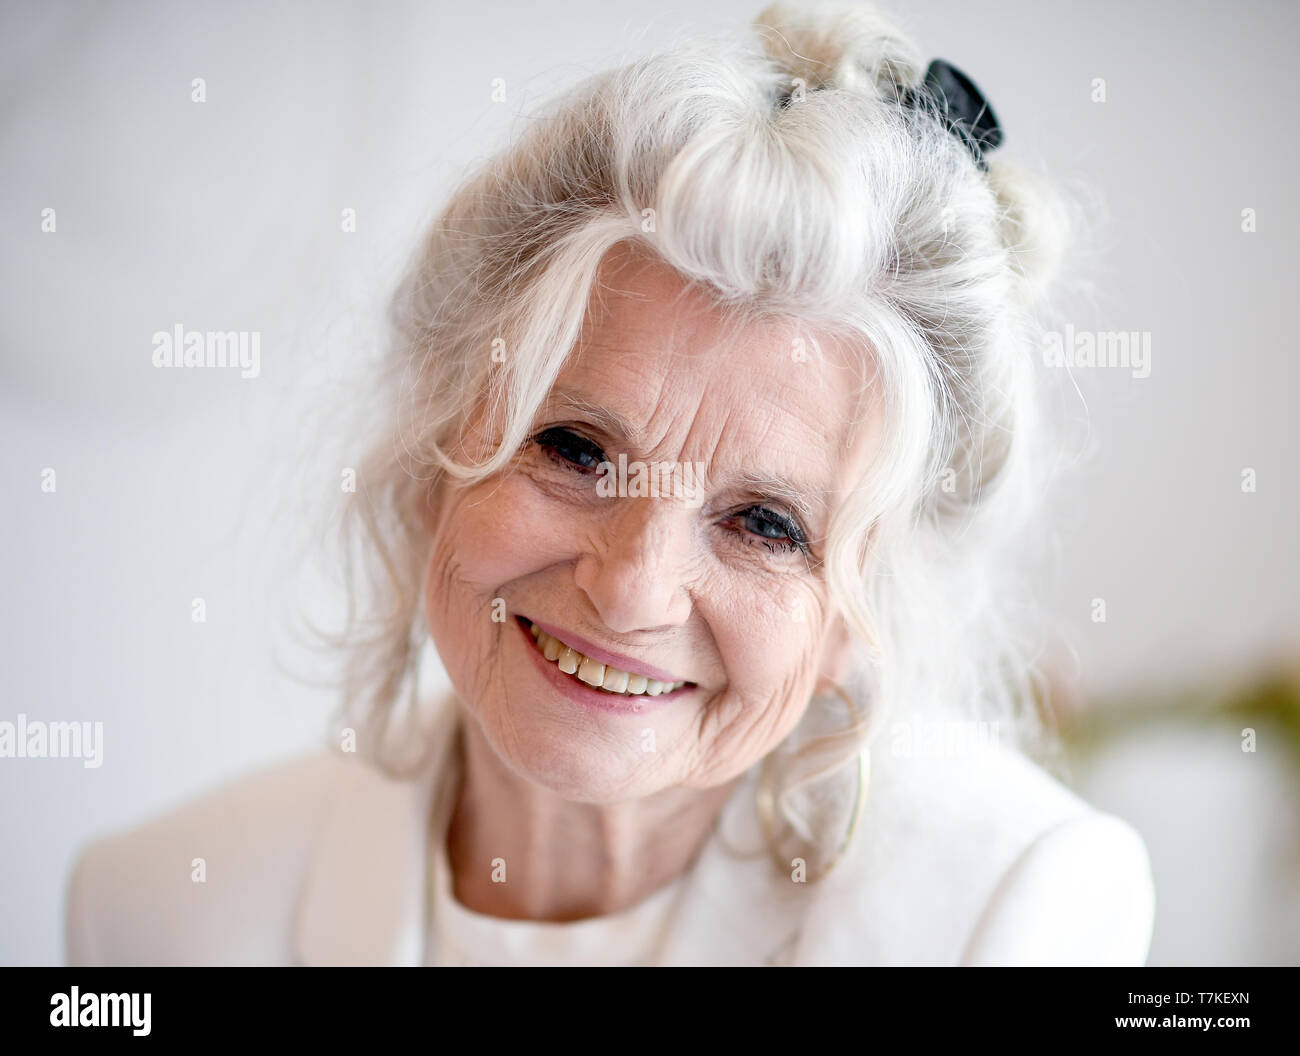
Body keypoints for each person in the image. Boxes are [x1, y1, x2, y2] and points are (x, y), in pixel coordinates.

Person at [65, 0, 1155, 967]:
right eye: (578, 451)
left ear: (864, 611)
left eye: (765, 525)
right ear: (434, 446)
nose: (632, 588)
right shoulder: (157, 911)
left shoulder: (1013, 914)